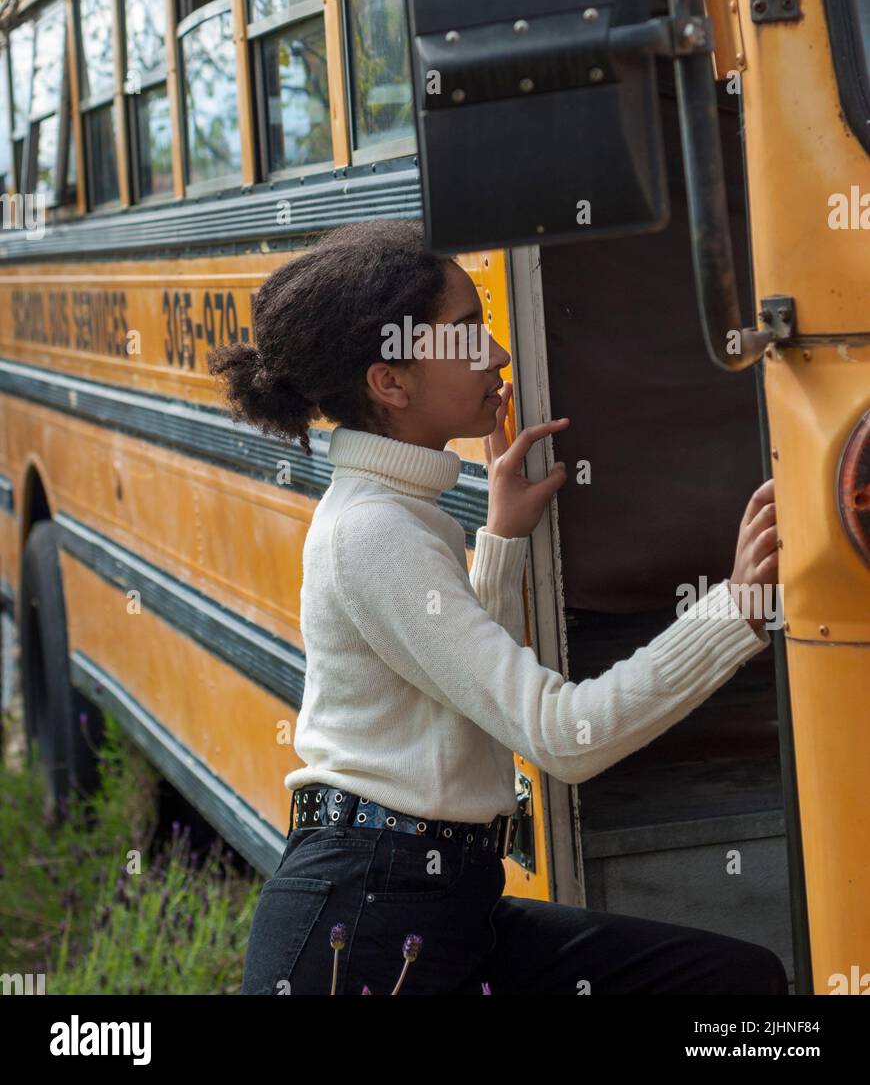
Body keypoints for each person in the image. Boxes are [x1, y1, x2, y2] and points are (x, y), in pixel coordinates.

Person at [208, 218, 788, 997]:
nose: (499, 354)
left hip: (435, 903)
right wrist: (737, 613)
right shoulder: (374, 531)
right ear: (391, 382)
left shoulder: (394, 513)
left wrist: (502, 536)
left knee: (733, 980)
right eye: (466, 332)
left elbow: (454, 691)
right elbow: (563, 734)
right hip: (367, 929)